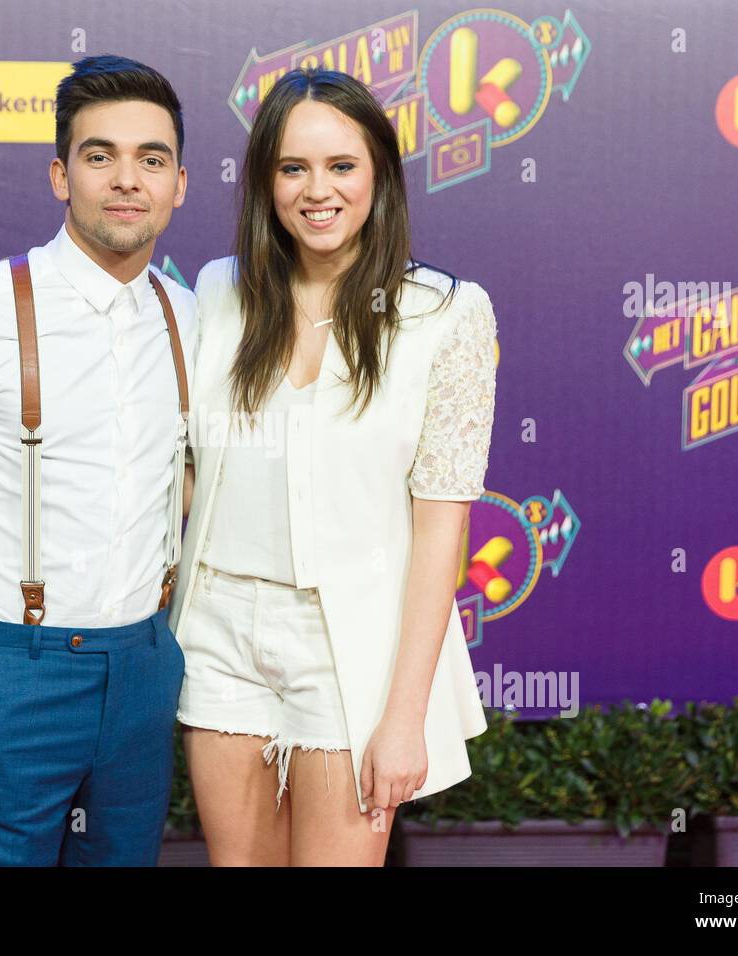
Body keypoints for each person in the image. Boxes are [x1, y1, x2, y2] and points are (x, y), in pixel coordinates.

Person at [0, 55, 197, 866]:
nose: (127, 180)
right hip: (12, 673)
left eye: (150, 159)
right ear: (60, 174)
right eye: (100, 156)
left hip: (145, 672)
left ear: (179, 184)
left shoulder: (191, 317)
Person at [171, 68, 498, 866]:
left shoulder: (446, 314)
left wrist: (405, 714)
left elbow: (441, 526)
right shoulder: (219, 290)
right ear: (265, 184)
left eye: (341, 166)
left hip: (352, 641)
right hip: (218, 630)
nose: (318, 190)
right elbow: (185, 472)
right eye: (293, 168)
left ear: (379, 173)